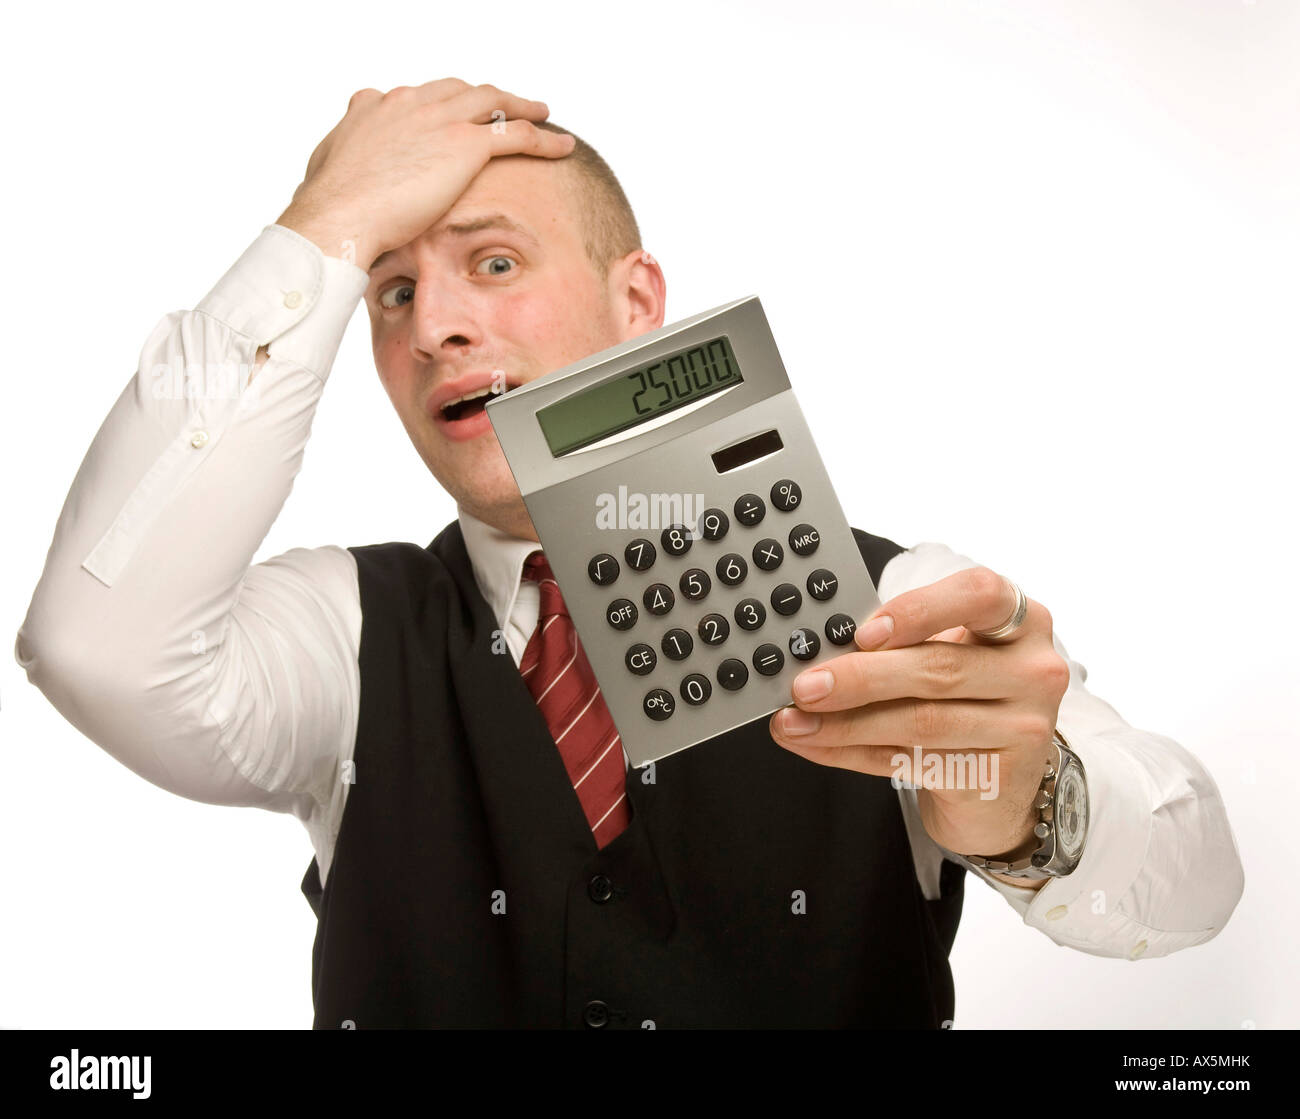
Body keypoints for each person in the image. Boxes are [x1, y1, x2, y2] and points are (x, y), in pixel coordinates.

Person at [15, 79, 1244, 1028]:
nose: (437, 323)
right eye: (389, 293)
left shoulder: (897, 612)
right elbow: (91, 640)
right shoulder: (340, 637)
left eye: (493, 264)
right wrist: (323, 225)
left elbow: (1197, 883)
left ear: (637, 304)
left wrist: (1036, 807)